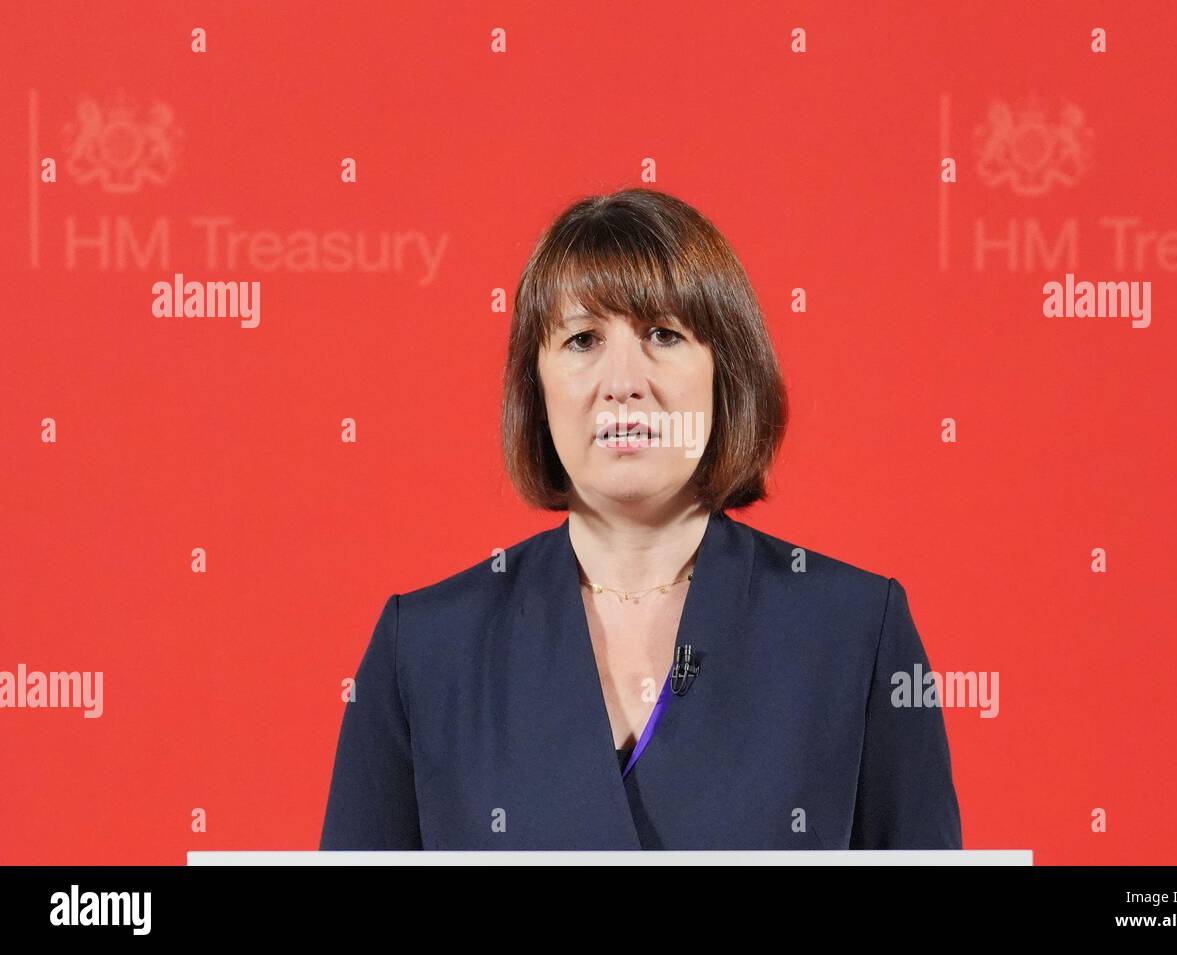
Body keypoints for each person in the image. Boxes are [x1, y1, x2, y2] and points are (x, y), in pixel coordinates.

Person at [319, 188, 962, 850]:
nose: (623, 380)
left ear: (725, 370)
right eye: (582, 339)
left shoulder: (854, 630)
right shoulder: (425, 650)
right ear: (535, 387)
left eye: (663, 333)